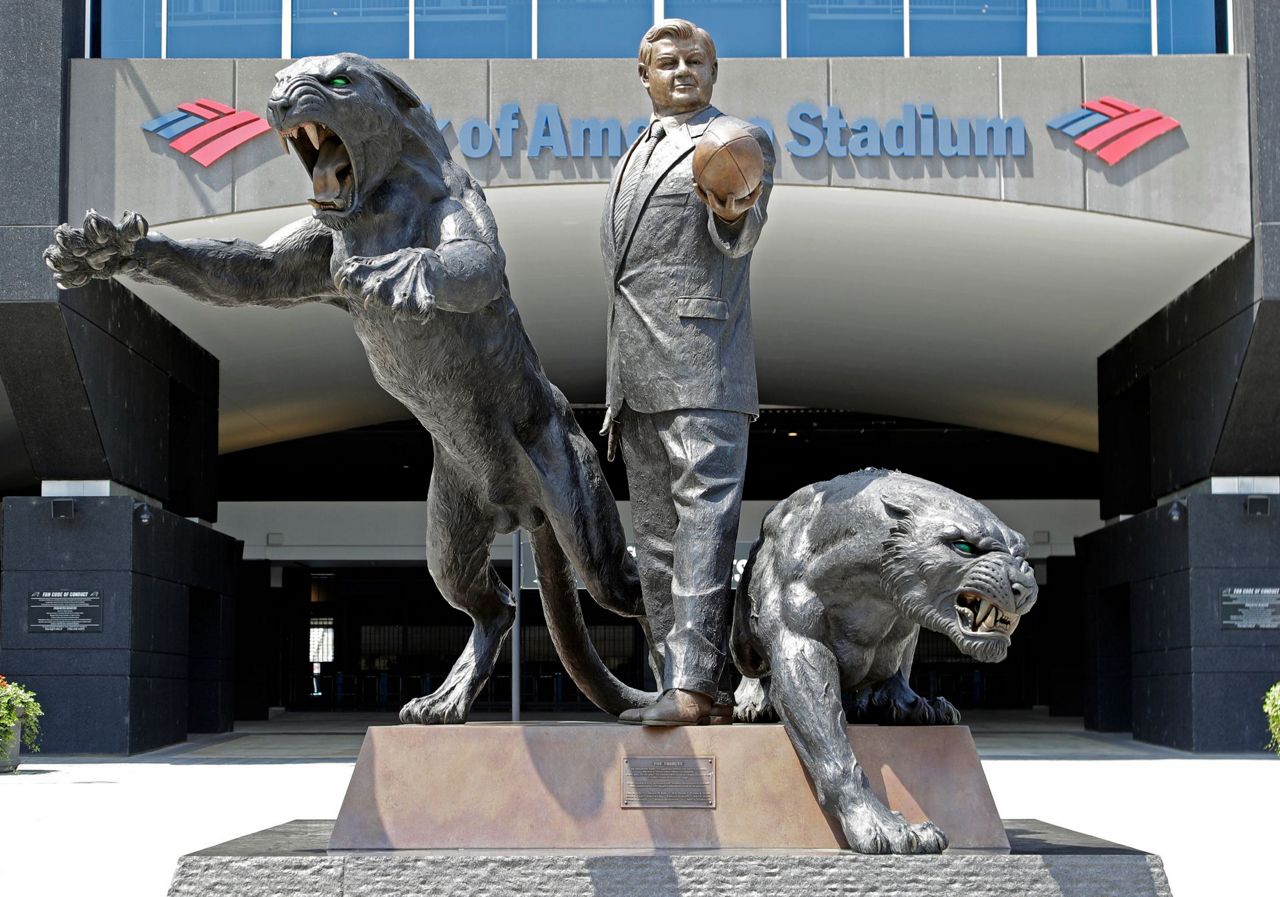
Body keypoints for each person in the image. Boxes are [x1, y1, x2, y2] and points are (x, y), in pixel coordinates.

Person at [600, 19, 774, 725]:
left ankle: (697, 681)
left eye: (694, 61)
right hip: (635, 375)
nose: (681, 71)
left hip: (704, 364)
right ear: (643, 74)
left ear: (713, 71)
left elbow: (739, 229)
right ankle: (678, 678)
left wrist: (733, 208)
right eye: (666, 62)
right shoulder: (632, 153)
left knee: (705, 524)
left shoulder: (733, 140)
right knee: (657, 543)